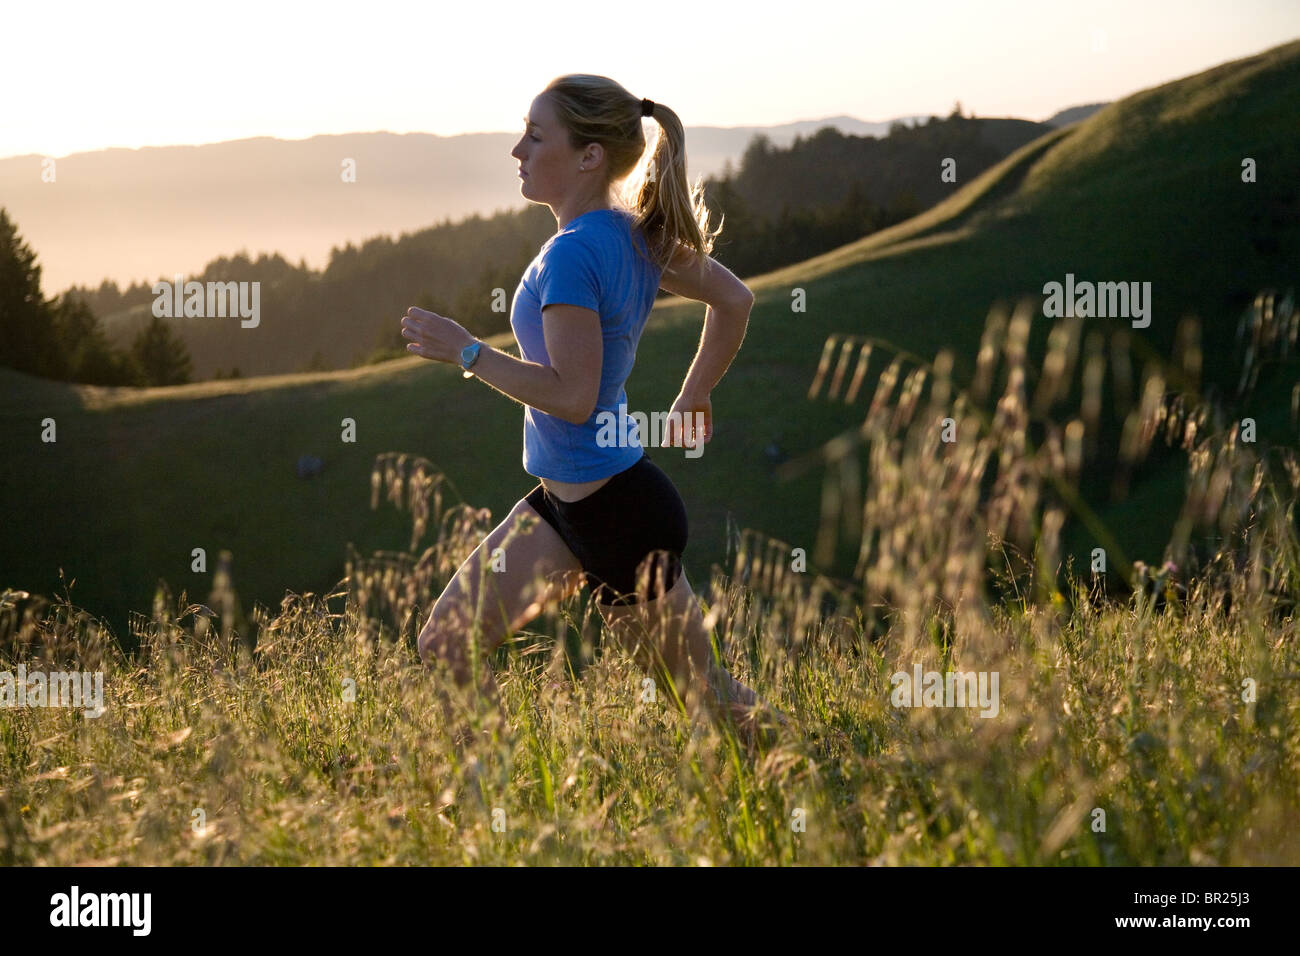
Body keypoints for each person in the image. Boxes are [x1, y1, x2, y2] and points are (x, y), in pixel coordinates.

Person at [400, 74, 788, 750]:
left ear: (588, 157)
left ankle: (824, 770)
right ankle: (482, 809)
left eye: (535, 135)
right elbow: (735, 300)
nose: (517, 150)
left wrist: (465, 351)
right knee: (446, 642)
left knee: (708, 702)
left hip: (618, 516)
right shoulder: (632, 236)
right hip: (569, 506)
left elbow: (571, 397)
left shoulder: (577, 252)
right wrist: (695, 391)